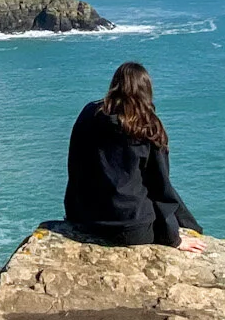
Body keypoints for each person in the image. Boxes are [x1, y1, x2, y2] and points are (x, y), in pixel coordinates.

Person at [64, 62, 205, 250]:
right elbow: (160, 186)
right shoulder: (147, 127)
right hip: (132, 230)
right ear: (146, 90)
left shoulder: (89, 113)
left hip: (89, 221)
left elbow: (74, 166)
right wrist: (174, 239)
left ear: (114, 85)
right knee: (189, 225)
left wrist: (74, 212)